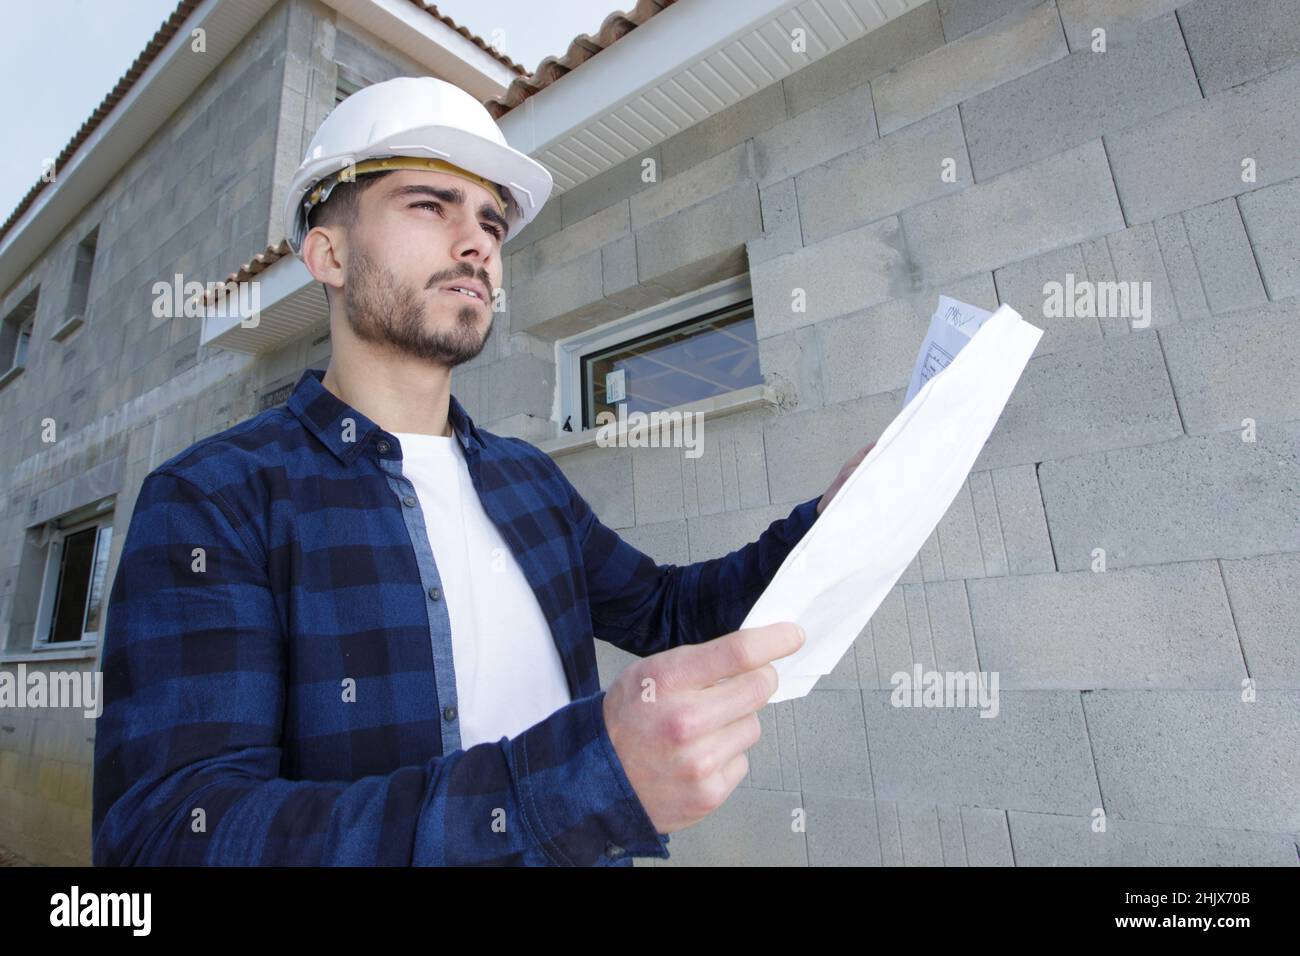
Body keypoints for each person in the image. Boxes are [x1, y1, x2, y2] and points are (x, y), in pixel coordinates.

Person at [92, 76, 870, 866]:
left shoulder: (527, 481)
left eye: (492, 223)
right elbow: (169, 836)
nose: (479, 244)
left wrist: (832, 523)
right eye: (431, 205)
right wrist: (571, 787)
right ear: (327, 253)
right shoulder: (214, 499)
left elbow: (669, 611)